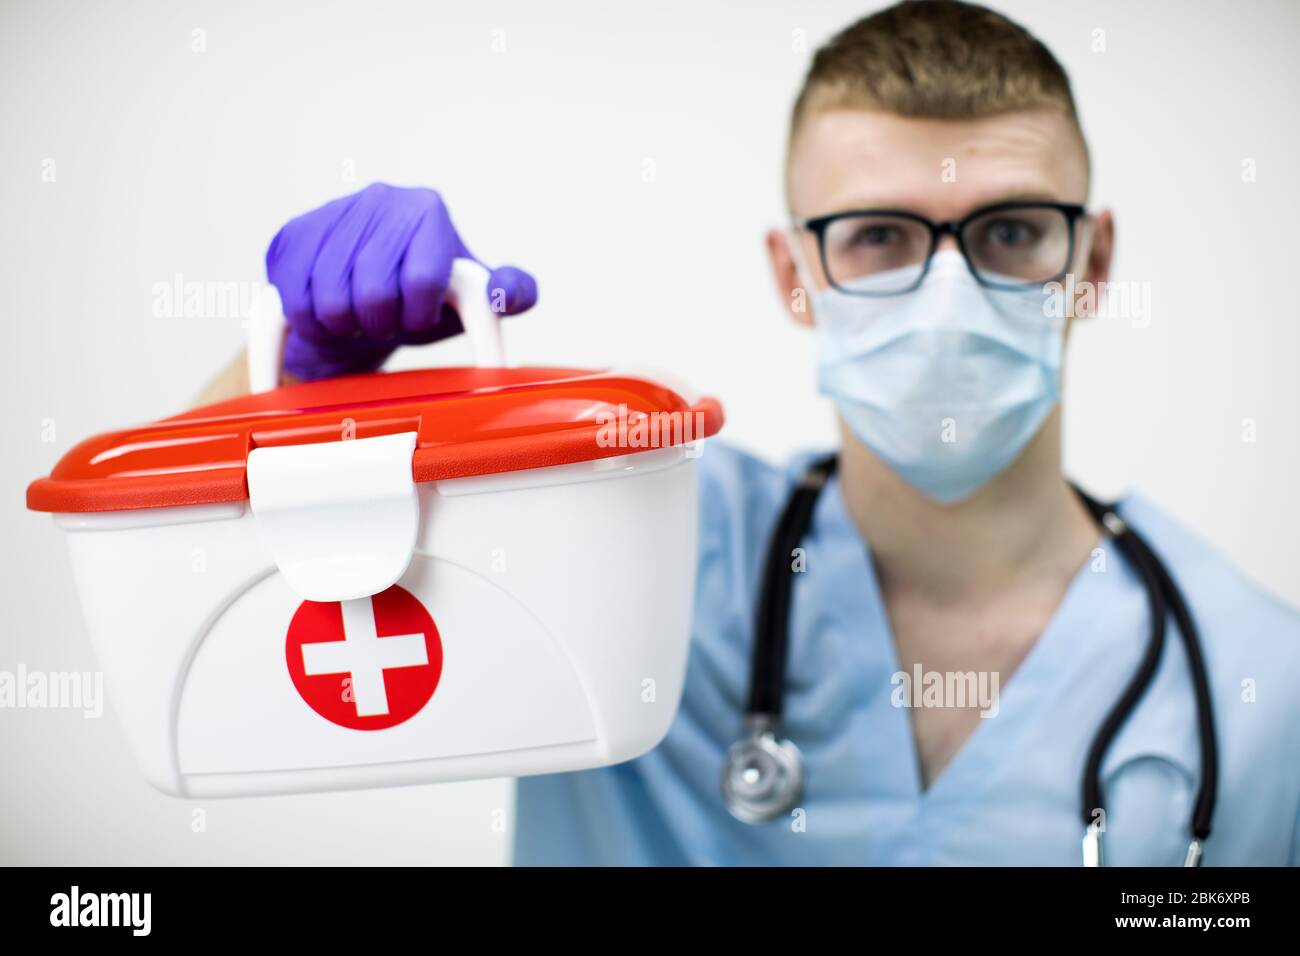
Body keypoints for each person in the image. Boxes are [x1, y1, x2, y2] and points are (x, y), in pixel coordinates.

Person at [201, 0, 1300, 865]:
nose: (948, 292)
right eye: (878, 235)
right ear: (794, 273)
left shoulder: (1258, 683)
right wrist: (303, 376)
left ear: (1091, 263)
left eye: (1011, 231)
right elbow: (226, 603)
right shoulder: (622, 532)